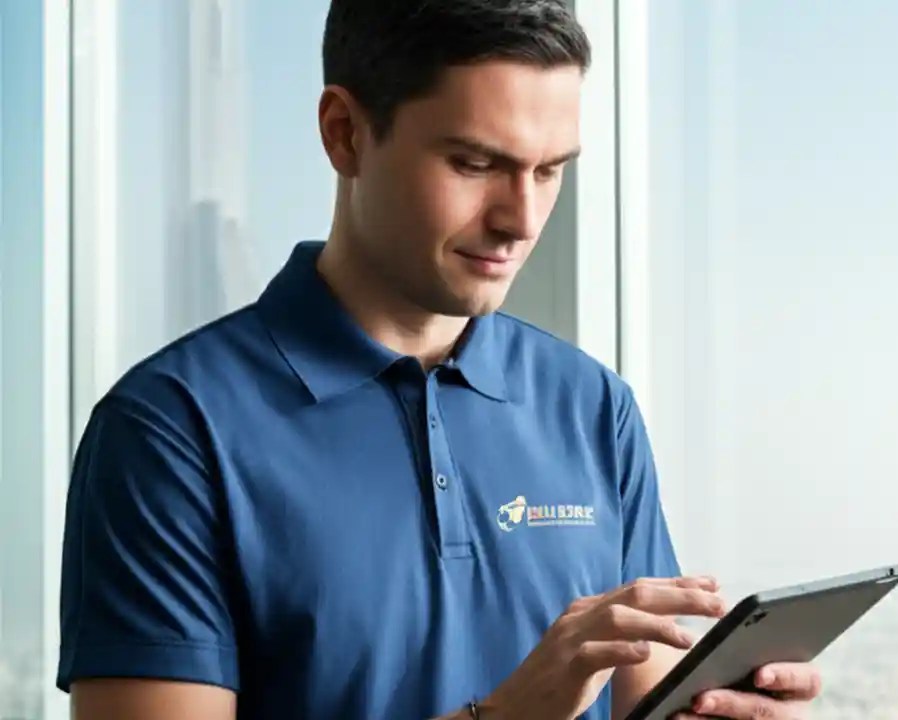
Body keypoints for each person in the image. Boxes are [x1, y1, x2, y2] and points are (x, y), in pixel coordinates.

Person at [56, 1, 824, 718]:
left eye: (550, 170)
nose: (520, 220)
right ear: (344, 133)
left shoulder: (591, 405)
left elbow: (641, 694)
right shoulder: (170, 432)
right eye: (475, 163)